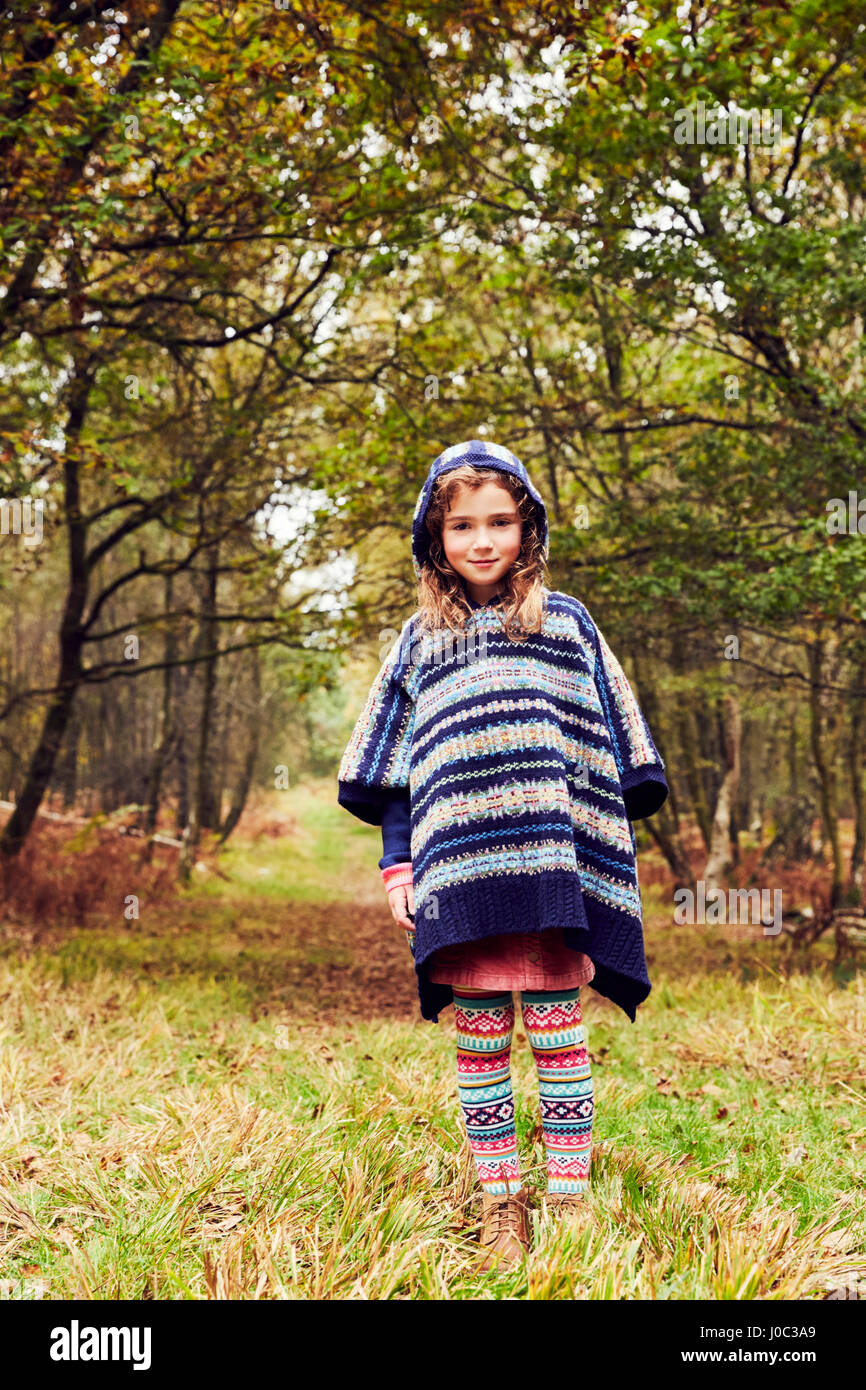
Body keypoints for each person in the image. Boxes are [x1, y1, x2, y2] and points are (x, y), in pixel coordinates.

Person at [337, 439, 668, 1271]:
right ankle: (499, 1200)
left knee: (558, 1037)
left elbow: (608, 740)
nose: (482, 540)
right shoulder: (419, 642)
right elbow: (399, 773)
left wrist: (604, 839)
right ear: (433, 537)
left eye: (500, 522)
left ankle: (568, 1198)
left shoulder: (566, 625)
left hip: (552, 876)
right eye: (461, 526)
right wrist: (400, 866)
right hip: (461, 885)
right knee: (480, 1040)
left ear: (527, 528)